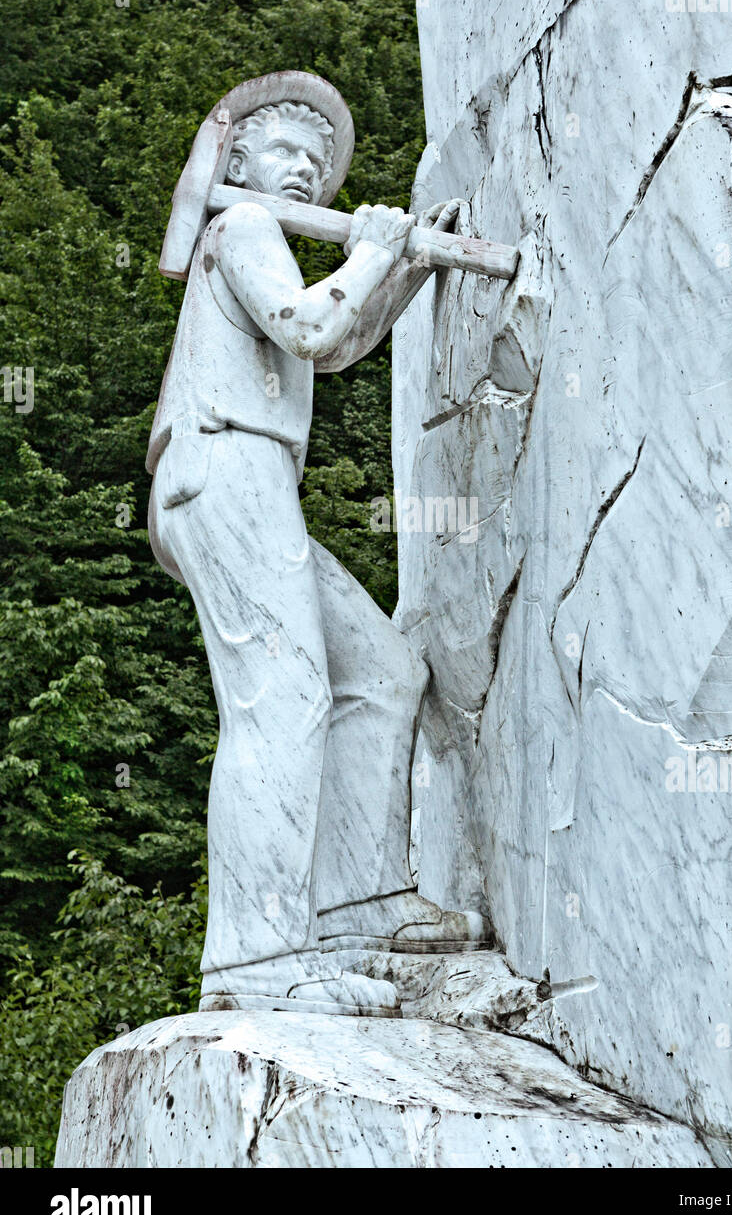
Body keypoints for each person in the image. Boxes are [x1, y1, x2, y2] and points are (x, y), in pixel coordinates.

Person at [147, 72, 488, 1014]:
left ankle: (355, 905)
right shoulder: (242, 227)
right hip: (223, 468)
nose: (303, 170)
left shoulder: (268, 239)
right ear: (237, 162)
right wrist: (376, 251)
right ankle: (254, 967)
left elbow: (338, 341)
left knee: (378, 671)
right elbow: (306, 328)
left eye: (318, 161)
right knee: (282, 700)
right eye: (284, 152)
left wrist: (405, 266)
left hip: (256, 483)